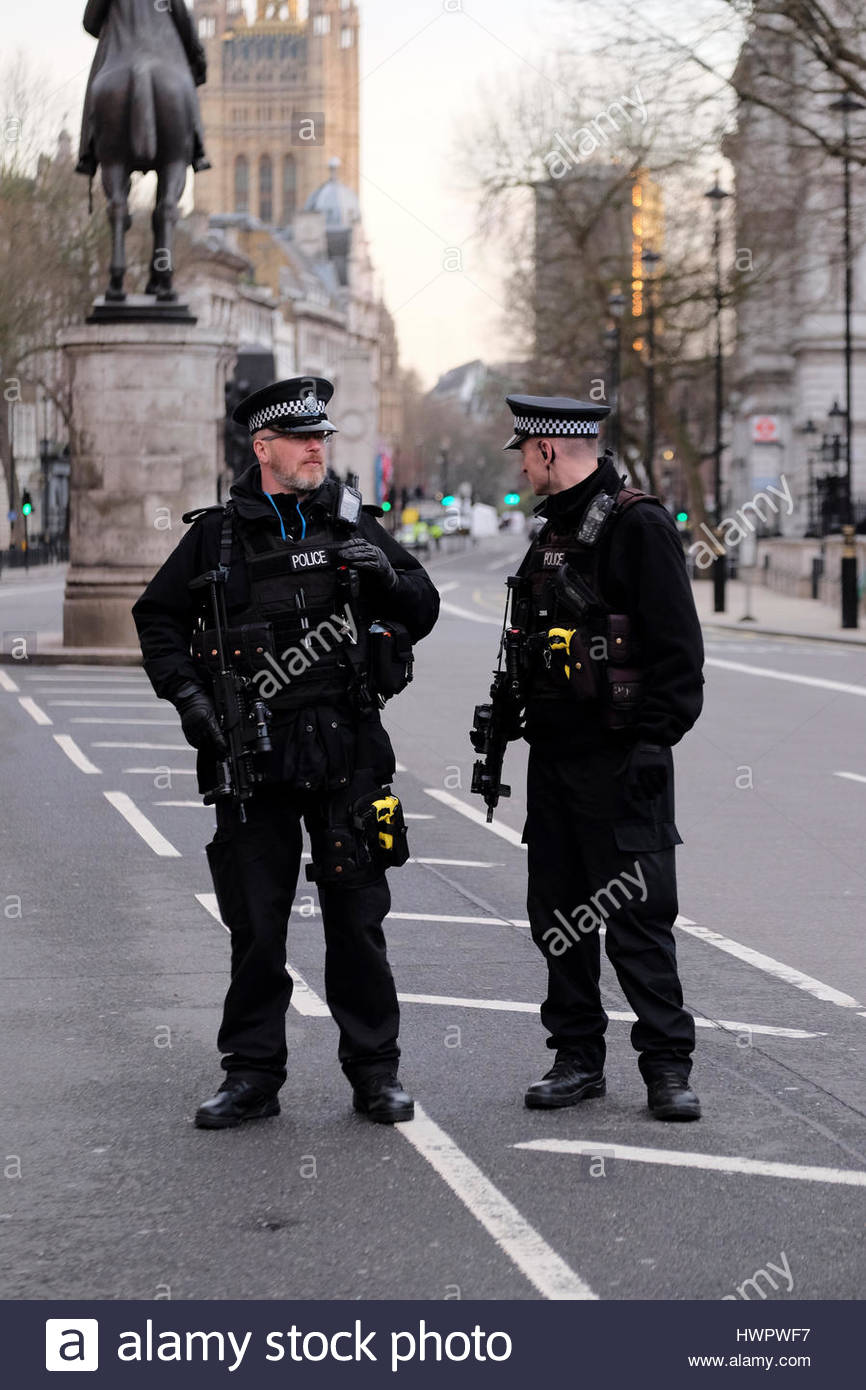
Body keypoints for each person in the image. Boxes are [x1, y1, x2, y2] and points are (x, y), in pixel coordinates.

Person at [132, 377, 439, 1129]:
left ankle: (375, 1073)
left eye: (322, 438)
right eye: (302, 439)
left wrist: (387, 574)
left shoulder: (352, 522)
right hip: (254, 756)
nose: (317, 449)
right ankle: (253, 1075)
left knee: (357, 917)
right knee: (256, 923)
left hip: (346, 747)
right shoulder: (218, 534)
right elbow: (156, 618)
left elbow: (422, 608)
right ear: (262, 447)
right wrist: (193, 703)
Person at [498, 394, 705, 1121]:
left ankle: (667, 1069)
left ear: (551, 449)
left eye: (525, 451)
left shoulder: (636, 523)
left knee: (639, 919)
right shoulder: (552, 530)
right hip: (556, 761)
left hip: (624, 762)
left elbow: (678, 650)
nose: (522, 465)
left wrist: (657, 737)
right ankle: (577, 1058)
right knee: (560, 917)